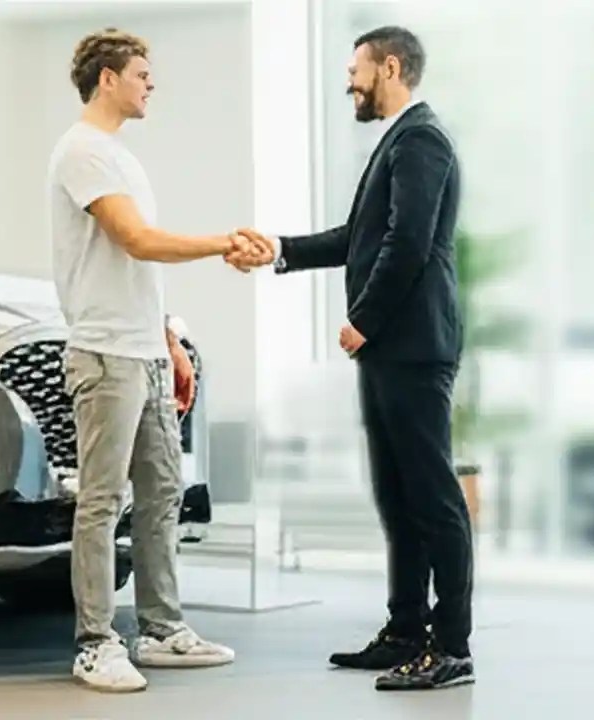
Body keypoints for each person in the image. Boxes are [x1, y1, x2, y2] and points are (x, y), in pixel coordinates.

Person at [229, 26, 474, 691]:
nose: (348, 82)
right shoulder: (399, 140)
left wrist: (362, 320)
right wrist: (275, 247)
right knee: (398, 499)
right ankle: (405, 633)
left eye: (356, 70)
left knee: (432, 497)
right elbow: (357, 237)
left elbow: (409, 244)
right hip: (395, 349)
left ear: (389, 67)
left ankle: (450, 648)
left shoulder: (419, 139)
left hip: (413, 346)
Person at [48, 27, 244, 693]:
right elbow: (134, 240)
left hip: (144, 354)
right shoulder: (82, 152)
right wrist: (223, 243)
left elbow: (135, 270)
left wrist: (169, 341)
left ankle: (161, 631)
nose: (150, 84)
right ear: (107, 78)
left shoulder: (119, 156)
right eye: (141, 73)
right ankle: (95, 642)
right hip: (104, 355)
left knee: (163, 493)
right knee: (102, 501)